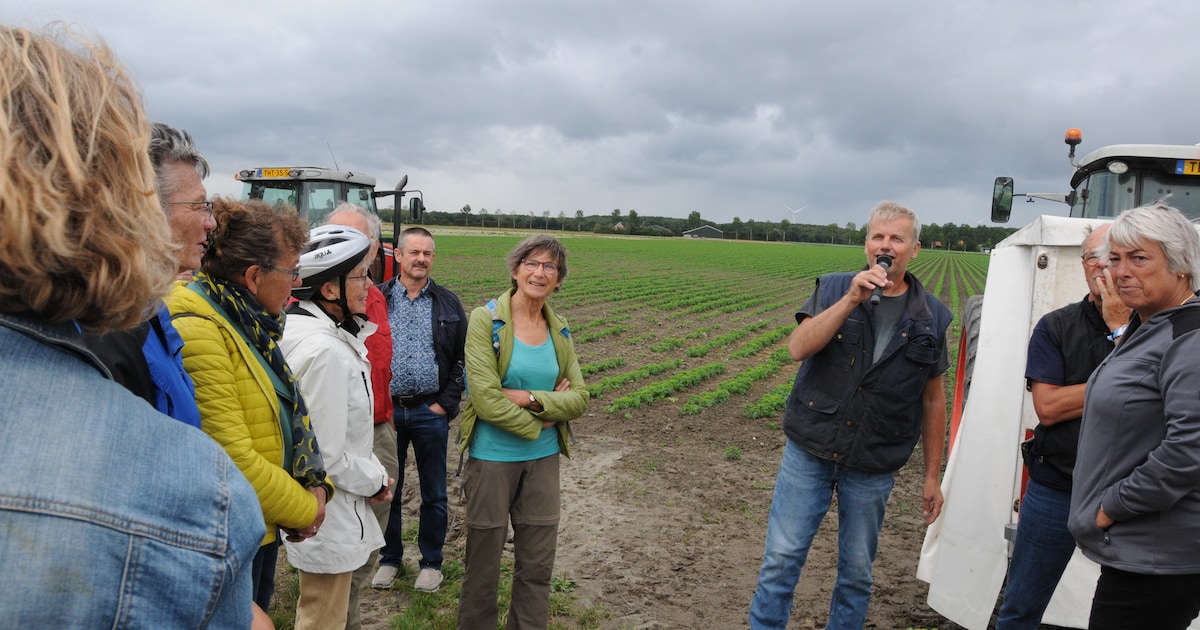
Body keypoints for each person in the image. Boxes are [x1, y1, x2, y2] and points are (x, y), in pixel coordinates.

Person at [0, 23, 263, 626]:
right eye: (198, 207)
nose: (210, 224)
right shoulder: (198, 495)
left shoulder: (157, 311)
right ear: (116, 202)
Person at [749, 201, 953, 630]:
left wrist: (932, 475)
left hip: (874, 462)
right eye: (878, 236)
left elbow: (933, 400)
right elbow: (797, 348)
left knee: (857, 573)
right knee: (780, 562)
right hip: (811, 449)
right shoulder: (835, 288)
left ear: (914, 249)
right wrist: (850, 300)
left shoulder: (932, 316)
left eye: (896, 238)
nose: (886, 245)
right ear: (866, 245)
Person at [167, 197, 334, 611]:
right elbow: (232, 460)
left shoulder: (244, 322)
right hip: (228, 535)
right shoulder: (201, 328)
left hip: (256, 524)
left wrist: (315, 485)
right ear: (255, 276)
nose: (297, 282)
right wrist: (306, 508)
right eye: (292, 271)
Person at [1068, 203, 1200, 630]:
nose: (1121, 271)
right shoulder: (1151, 325)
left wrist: (1111, 506)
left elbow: (1187, 449)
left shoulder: (1189, 336)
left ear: (1181, 265)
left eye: (1139, 258)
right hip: (1139, 553)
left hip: (1156, 560)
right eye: (1115, 258)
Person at [995, 224, 1128, 629]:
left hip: (1130, 495)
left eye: (1115, 256)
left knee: (1129, 609)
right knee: (1021, 604)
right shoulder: (1056, 326)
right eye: (1094, 257)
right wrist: (1127, 381)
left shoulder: (1160, 325)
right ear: (1083, 266)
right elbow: (1048, 408)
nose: (1103, 266)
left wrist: (1123, 335)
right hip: (1058, 487)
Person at [456, 235, 590, 629]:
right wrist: (545, 414)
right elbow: (485, 399)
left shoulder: (559, 328)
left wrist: (530, 399)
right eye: (532, 263)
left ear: (559, 280)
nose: (540, 272)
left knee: (537, 564)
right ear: (515, 271)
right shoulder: (487, 320)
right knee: (483, 565)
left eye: (550, 267)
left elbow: (580, 397)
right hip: (492, 459)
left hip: (543, 461)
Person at [281, 225, 392, 630]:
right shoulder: (325, 351)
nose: (370, 285)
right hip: (332, 513)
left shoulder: (321, 334)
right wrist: (377, 478)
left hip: (335, 510)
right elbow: (325, 454)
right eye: (361, 275)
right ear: (330, 290)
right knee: (322, 620)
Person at [82, 122, 215, 428]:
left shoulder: (147, 310)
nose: (211, 223)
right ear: (144, 210)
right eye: (198, 206)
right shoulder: (108, 330)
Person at [373, 227, 468, 593]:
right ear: (398, 256)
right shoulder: (377, 299)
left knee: (434, 493)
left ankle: (431, 562)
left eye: (427, 253)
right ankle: (390, 558)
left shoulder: (447, 302)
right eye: (414, 252)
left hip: (431, 411)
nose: (421, 259)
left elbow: (461, 358)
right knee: (387, 489)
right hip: (387, 412)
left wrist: (444, 403)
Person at [323, 205, 400, 630]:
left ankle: (347, 612)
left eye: (350, 239)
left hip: (378, 433)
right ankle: (338, 616)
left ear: (372, 248)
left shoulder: (374, 296)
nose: (337, 248)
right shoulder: (315, 300)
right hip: (336, 440)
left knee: (372, 536)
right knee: (336, 544)